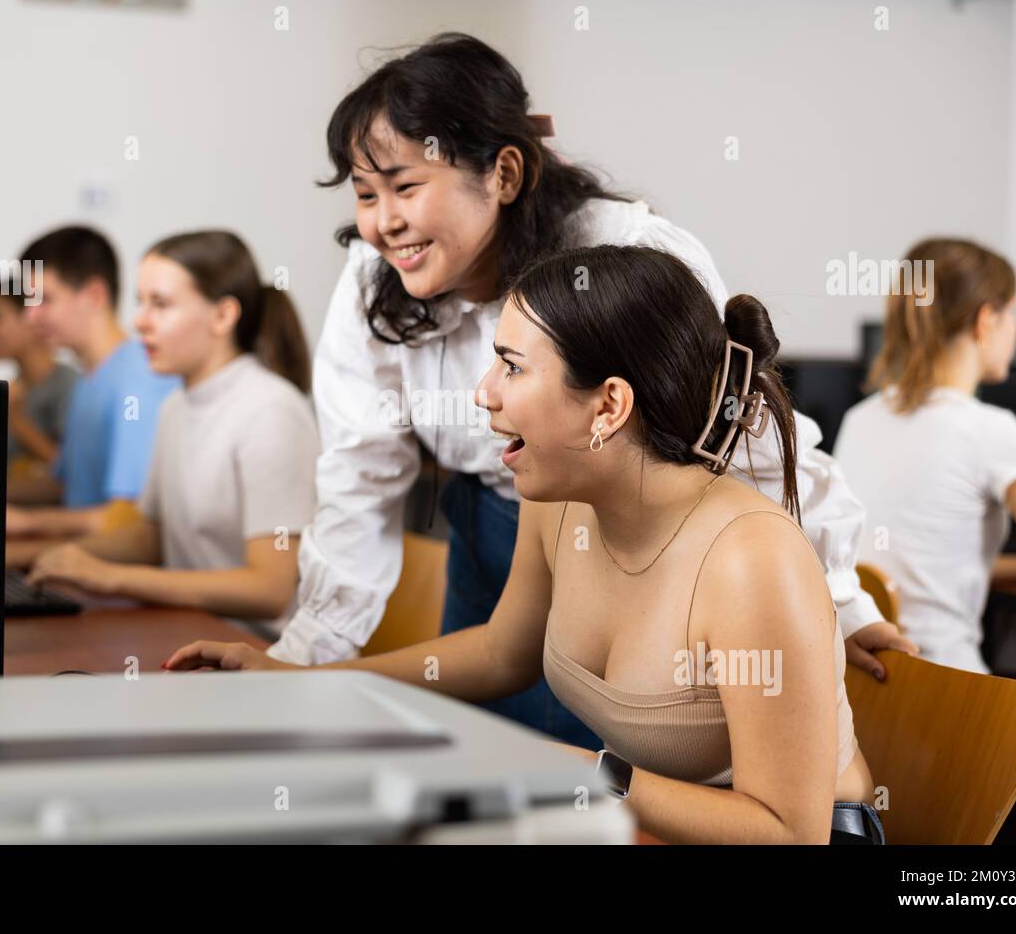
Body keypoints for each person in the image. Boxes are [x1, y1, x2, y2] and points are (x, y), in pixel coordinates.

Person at [264, 31, 909, 751]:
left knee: (593, 767)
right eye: (364, 193)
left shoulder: (624, 257)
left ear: (504, 174)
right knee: (475, 751)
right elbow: (358, 476)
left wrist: (839, 597)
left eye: (406, 187)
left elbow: (741, 438)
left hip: (628, 540)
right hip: (498, 524)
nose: (383, 222)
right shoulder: (377, 276)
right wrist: (301, 661)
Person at [165, 245, 880, 844]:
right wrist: (302, 681)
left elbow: (790, 830)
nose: (483, 392)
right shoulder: (561, 504)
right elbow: (499, 652)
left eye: (510, 366)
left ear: (609, 406)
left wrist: (580, 771)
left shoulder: (752, 562)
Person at [835, 238, 1016, 840]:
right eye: (1014, 314)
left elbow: (910, 560)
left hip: (868, 707)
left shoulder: (860, 420)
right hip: (957, 708)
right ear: (984, 319)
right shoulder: (992, 432)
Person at [26, 231, 318, 635]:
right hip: (194, 634)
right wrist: (69, 556)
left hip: (268, 655)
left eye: (160, 305)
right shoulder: (176, 407)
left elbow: (269, 589)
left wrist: (112, 577)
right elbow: (153, 536)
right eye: (140, 302)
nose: (138, 321)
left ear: (222, 316)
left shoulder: (270, 411)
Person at [6, 226, 179, 561]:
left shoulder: (139, 378)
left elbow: (126, 518)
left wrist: (27, 524)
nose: (30, 317)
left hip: (116, 588)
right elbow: (68, 486)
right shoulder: (89, 380)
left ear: (94, 295)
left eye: (43, 300)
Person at [0, 275, 77, 476]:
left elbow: (74, 472)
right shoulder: (11, 390)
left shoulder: (69, 386)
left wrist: (16, 420)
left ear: (30, 317)